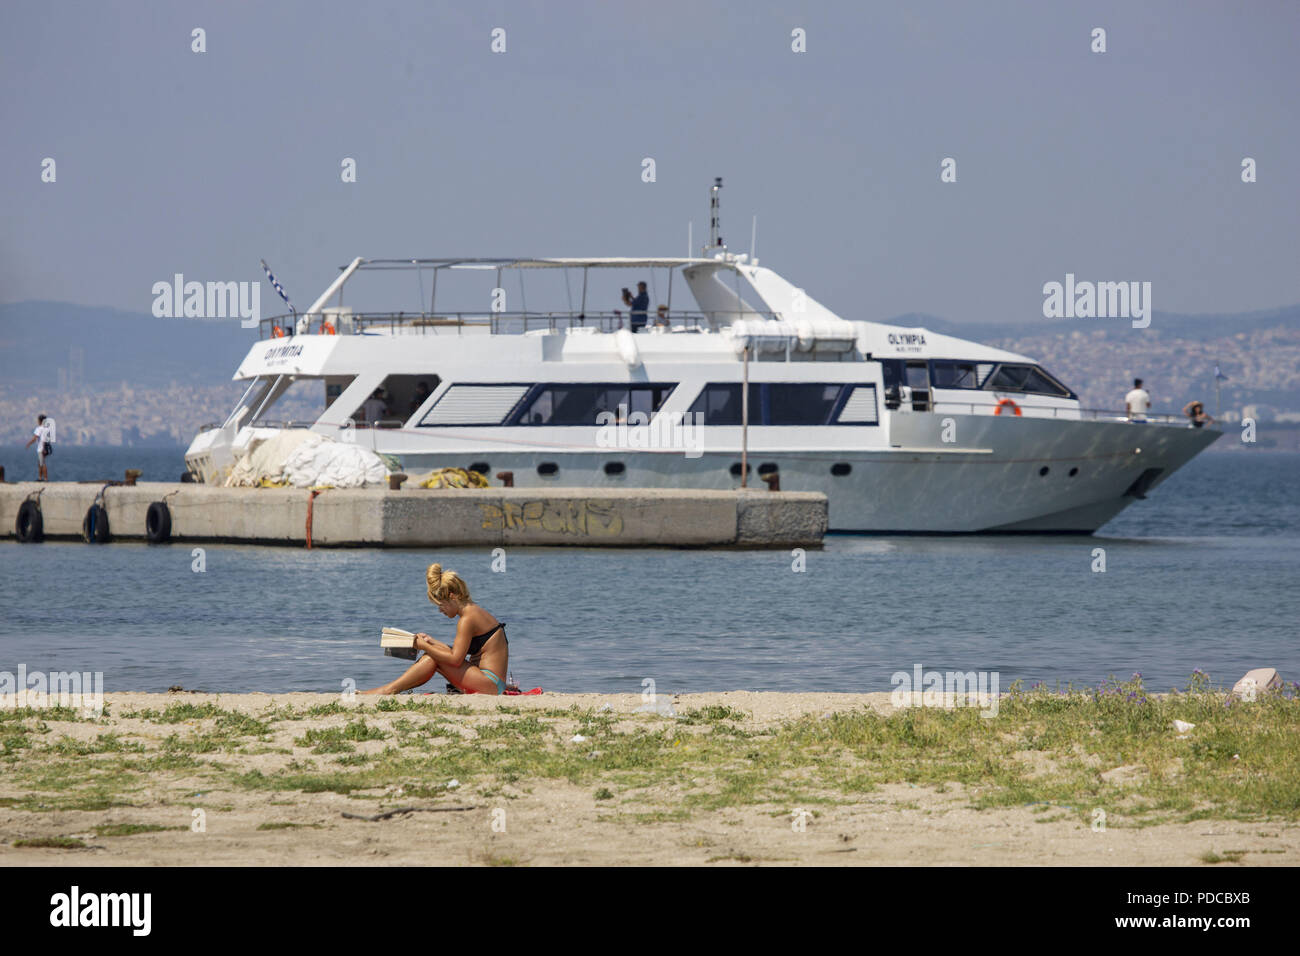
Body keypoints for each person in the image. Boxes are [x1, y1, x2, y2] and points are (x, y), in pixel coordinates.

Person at [363, 563, 509, 696]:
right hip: (490, 682)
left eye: (441, 605)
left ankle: (388, 690)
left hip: (490, 685)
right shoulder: (473, 612)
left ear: (452, 597)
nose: (440, 610)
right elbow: (457, 653)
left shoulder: (467, 620)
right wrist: (431, 642)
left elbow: (455, 660)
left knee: (432, 657)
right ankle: (390, 689)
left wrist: (424, 645)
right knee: (432, 654)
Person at [24, 414, 55, 481]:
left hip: (41, 448)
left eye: (38, 420)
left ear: (40, 421)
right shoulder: (47, 429)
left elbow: (35, 438)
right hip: (46, 448)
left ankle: (45, 478)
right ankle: (40, 478)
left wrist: (28, 444)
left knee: (42, 463)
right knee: (40, 463)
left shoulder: (39, 429)